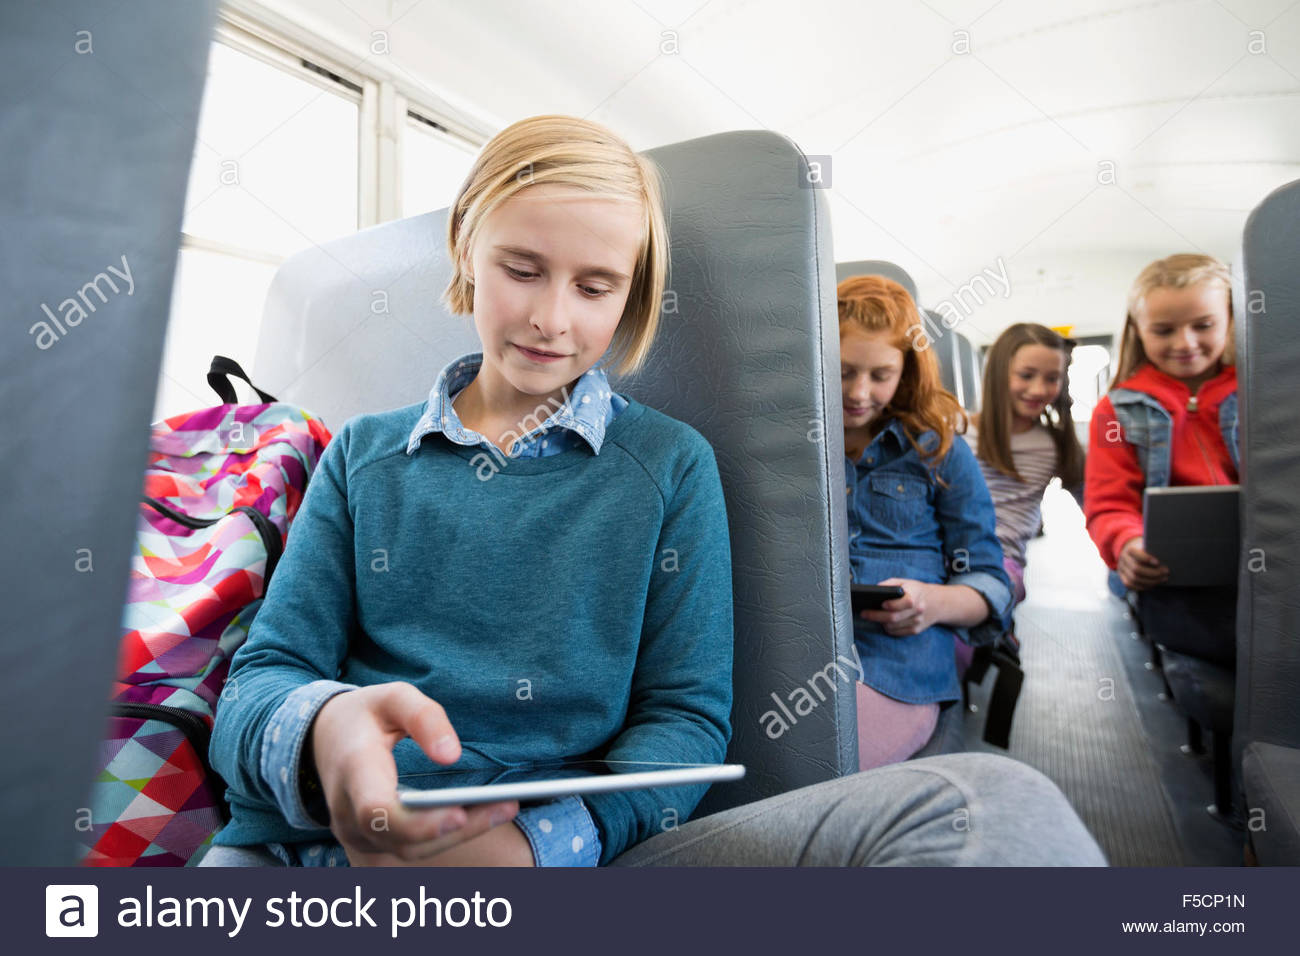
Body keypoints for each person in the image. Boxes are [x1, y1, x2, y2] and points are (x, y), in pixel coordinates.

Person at [201, 116, 1104, 868]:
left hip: (577, 853)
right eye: (522, 269)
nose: (554, 319)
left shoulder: (669, 465)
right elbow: (259, 682)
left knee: (996, 809)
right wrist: (323, 736)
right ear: (466, 251)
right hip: (316, 849)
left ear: (632, 298)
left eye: (596, 287)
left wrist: (537, 845)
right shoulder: (363, 454)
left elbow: (682, 724)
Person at [839, 276, 1013, 771]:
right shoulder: (786, 443)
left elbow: (990, 584)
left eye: (880, 375)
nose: (858, 392)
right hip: (796, 658)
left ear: (906, 372)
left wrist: (930, 602)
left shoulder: (939, 451)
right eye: (844, 370)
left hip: (898, 664)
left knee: (824, 774)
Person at [1083, 254, 1237, 660]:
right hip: (1173, 576)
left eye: (1203, 326)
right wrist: (1127, 543)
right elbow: (1109, 504)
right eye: (1164, 330)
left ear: (1232, 319)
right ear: (1139, 331)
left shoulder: (1263, 391)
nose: (1185, 343)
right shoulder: (1116, 411)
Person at [966, 323, 1086, 609]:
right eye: (1026, 375)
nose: (1039, 389)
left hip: (1002, 564)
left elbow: (1095, 504)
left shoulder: (1057, 445)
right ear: (999, 374)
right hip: (946, 555)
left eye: (1052, 378)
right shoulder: (956, 430)